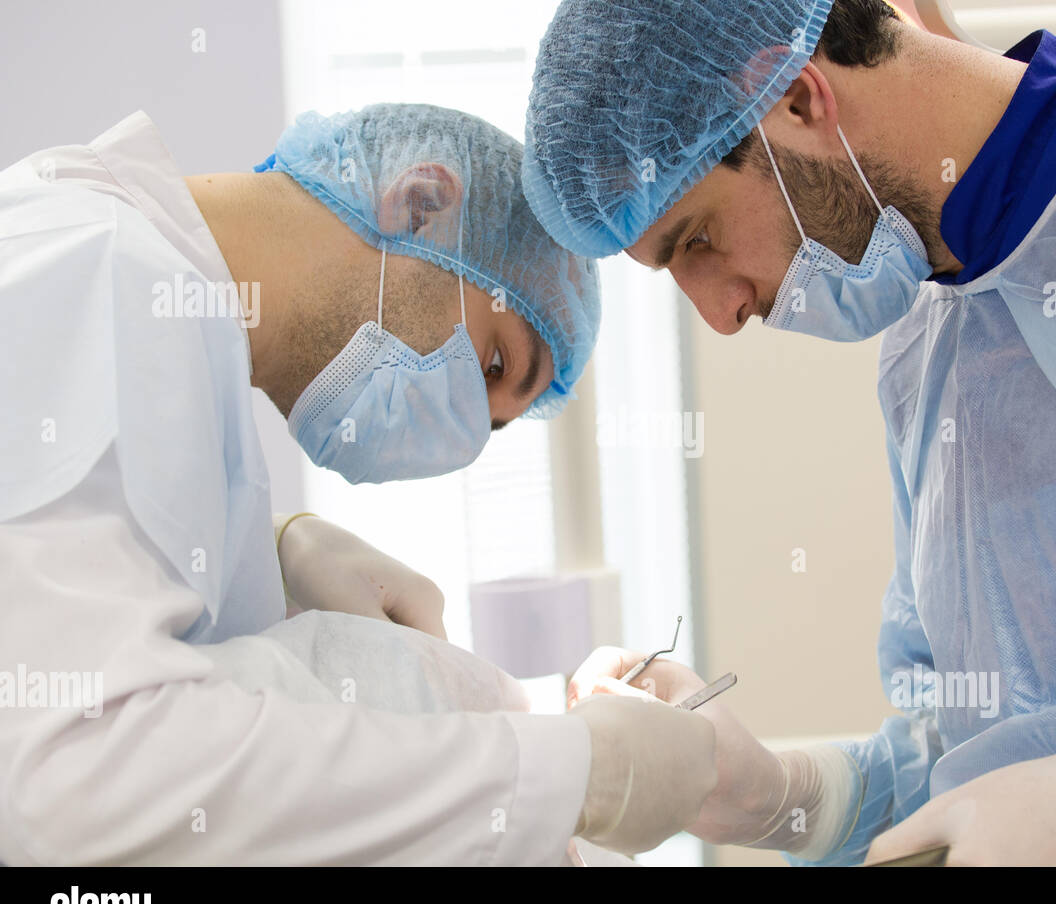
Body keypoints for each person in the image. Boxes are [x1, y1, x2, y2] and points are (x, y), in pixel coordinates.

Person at [526, 0, 1056, 865]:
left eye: (696, 239)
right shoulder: (931, 339)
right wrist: (773, 798)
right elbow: (980, 757)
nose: (721, 312)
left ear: (796, 99)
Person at [0, 103, 716, 864]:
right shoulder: (101, 271)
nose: (468, 430)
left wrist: (279, 547)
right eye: (496, 365)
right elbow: (75, 780)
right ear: (420, 203)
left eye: (495, 424)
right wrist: (573, 773)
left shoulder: (165, 318)